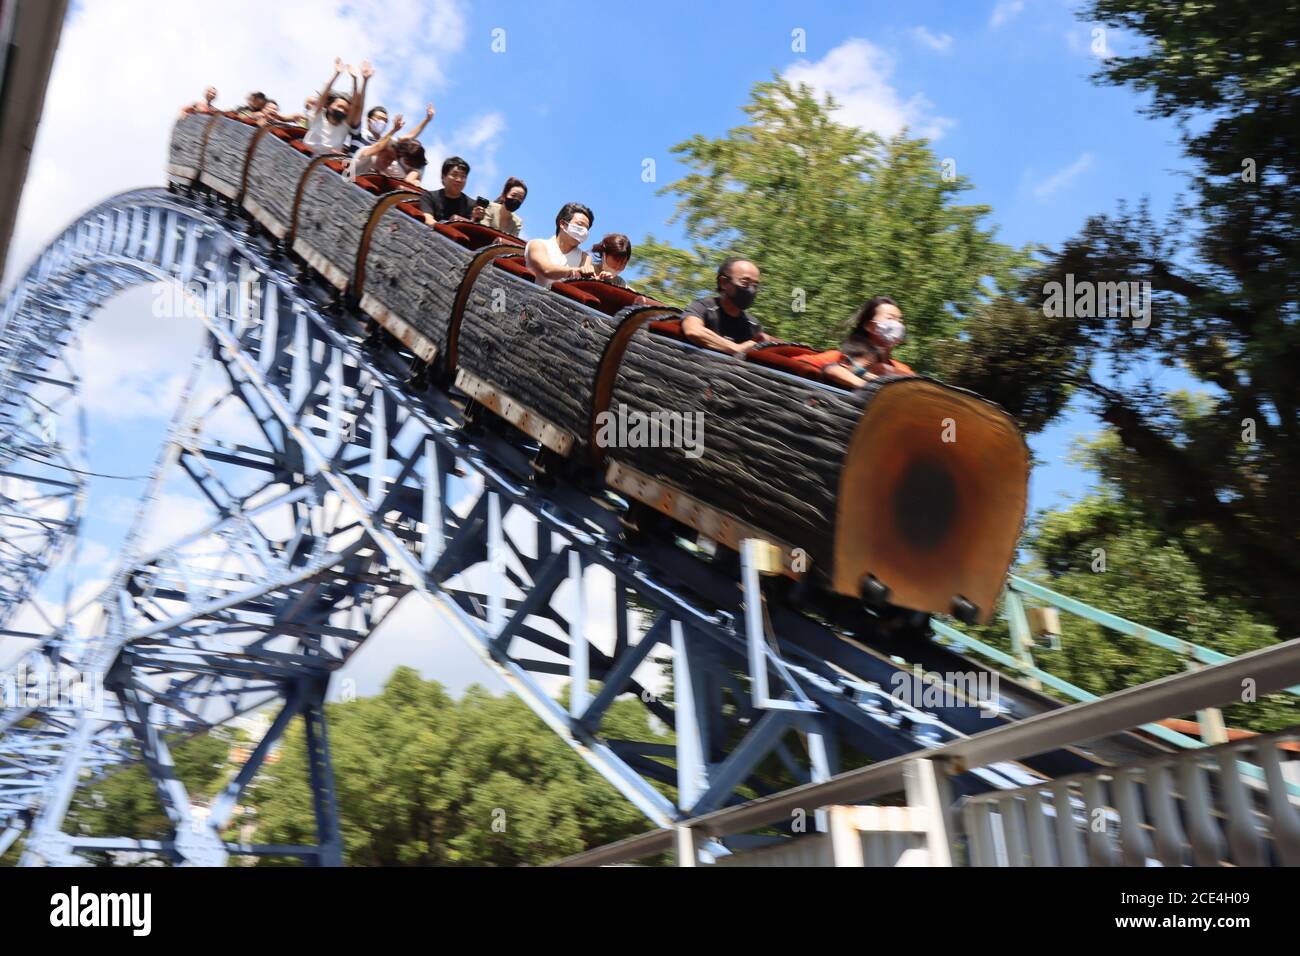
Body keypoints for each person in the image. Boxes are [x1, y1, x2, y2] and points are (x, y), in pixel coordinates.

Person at [819, 296, 914, 389]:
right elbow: (831, 369)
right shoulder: (840, 356)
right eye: (890, 318)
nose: (897, 325)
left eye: (900, 321)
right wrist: (867, 382)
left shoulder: (901, 370)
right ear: (869, 325)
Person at [680, 257, 769, 355]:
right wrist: (737, 348)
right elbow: (693, 331)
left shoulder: (752, 325)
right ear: (724, 282)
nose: (751, 290)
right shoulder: (703, 307)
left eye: (755, 286)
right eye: (744, 282)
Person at [303, 58, 368, 154]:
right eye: (339, 106)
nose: (341, 110)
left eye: (345, 109)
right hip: (305, 153)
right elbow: (324, 94)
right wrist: (336, 74)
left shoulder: (344, 126)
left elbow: (356, 107)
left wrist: (355, 80)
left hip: (327, 163)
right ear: (329, 106)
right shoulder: (317, 115)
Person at [525, 203, 597, 289]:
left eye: (587, 228)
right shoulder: (538, 244)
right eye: (580, 225)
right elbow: (547, 270)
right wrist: (577, 270)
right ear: (563, 224)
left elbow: (583, 282)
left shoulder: (584, 257)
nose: (584, 231)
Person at [347, 117, 428, 185]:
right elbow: (379, 145)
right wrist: (394, 130)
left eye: (392, 159)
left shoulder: (390, 169)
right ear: (379, 152)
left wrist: (415, 182)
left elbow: (406, 182)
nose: (388, 161)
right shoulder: (366, 154)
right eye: (387, 156)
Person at [419, 156, 485, 224]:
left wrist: (474, 219)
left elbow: (471, 229)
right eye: (454, 175)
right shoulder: (429, 197)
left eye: (463, 176)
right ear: (443, 177)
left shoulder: (472, 205)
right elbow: (428, 220)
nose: (459, 180)